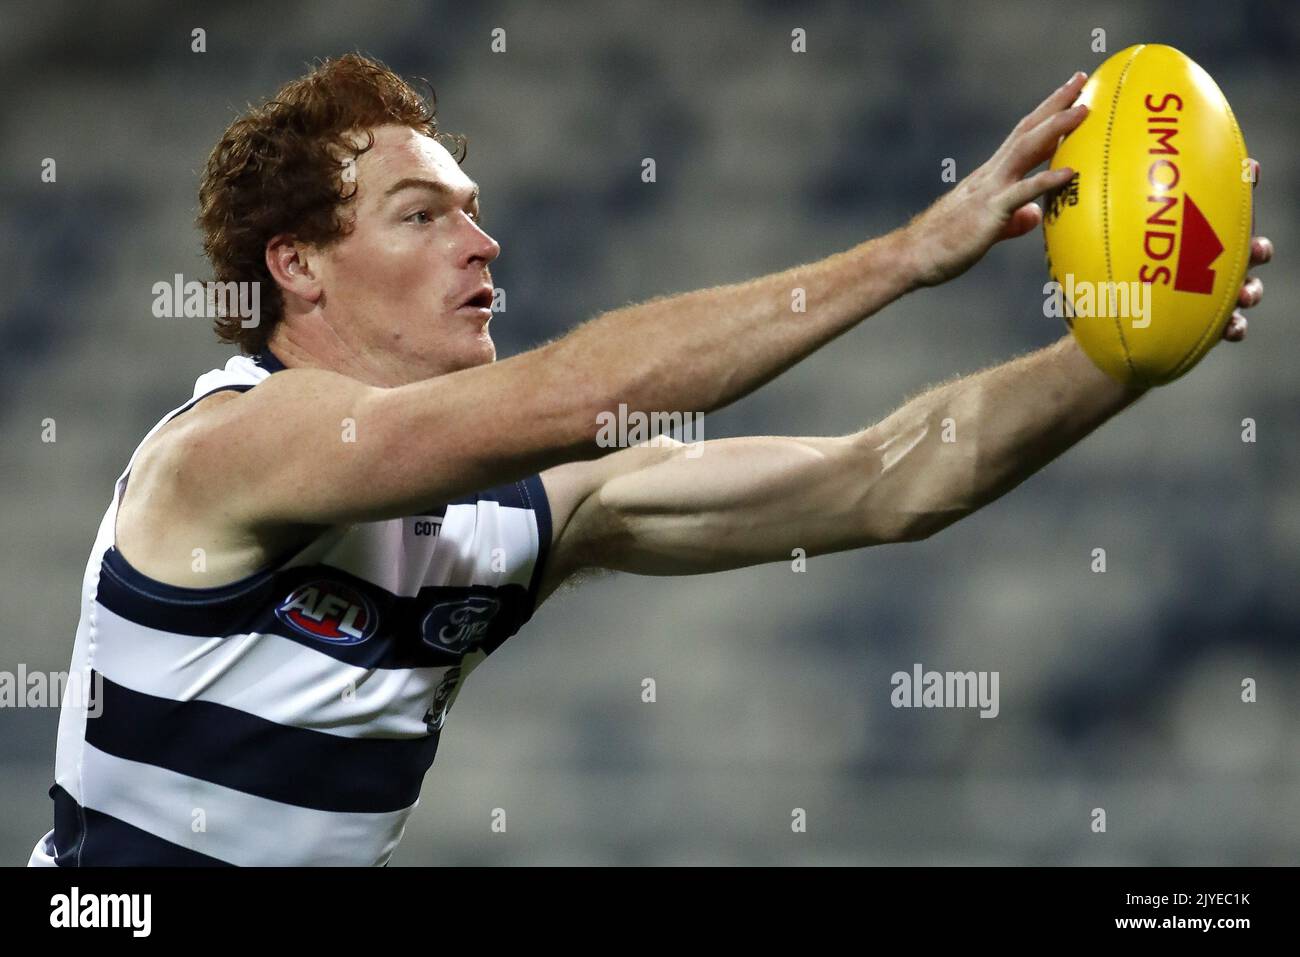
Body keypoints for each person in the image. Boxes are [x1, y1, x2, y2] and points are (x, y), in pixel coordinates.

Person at [29, 54, 1271, 865]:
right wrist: (908, 252)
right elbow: (580, 396)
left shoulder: (516, 521)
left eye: (473, 206)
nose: (485, 240)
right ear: (295, 266)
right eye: (426, 215)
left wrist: (1129, 348)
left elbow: (890, 482)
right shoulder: (227, 448)